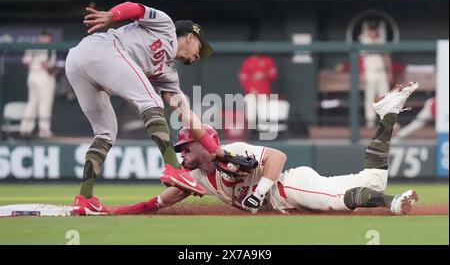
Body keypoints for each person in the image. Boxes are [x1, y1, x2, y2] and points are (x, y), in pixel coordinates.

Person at [113, 82, 420, 216]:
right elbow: (164, 199)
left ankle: (393, 203)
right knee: (373, 180)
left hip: (290, 188)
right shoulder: (198, 175)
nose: (182, 154)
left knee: (340, 202)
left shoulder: (233, 148)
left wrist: (259, 192)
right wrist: (127, 209)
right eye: (180, 149)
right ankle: (388, 115)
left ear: (203, 144)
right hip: (284, 196)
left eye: (186, 147)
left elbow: (277, 156)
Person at [65, 1, 226, 215]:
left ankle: (84, 198)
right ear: (190, 37)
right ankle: (173, 168)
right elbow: (136, 9)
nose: (198, 56)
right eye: (200, 48)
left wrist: (215, 150)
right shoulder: (165, 26)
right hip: (99, 48)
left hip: (78, 63)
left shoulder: (168, 75)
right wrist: (112, 16)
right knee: (151, 101)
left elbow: (186, 115)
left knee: (105, 132)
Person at [20, 30, 57, 139]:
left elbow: (26, 61)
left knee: (32, 103)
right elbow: (44, 64)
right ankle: (43, 129)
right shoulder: (44, 48)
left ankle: (25, 128)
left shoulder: (34, 47)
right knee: (44, 103)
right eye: (45, 37)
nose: (47, 39)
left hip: (32, 75)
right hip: (42, 76)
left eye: (48, 37)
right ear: (42, 37)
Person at [360, 20, 394, 129]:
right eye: (371, 30)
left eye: (375, 30)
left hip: (381, 71)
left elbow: (386, 57)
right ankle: (370, 121)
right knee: (370, 97)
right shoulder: (363, 41)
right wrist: (362, 74)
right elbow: (360, 59)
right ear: (368, 31)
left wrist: (389, 72)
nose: (373, 32)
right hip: (369, 71)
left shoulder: (381, 41)